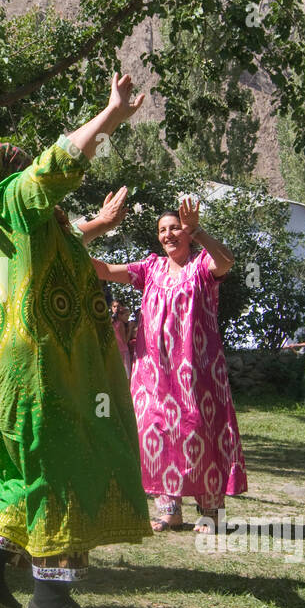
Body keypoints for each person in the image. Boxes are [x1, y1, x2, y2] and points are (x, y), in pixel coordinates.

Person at [0, 73, 149, 608]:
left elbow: (52, 250)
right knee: (62, 467)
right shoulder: (18, 197)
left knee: (24, 475)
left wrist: (95, 226)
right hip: (38, 370)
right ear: (12, 172)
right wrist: (109, 116)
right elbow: (57, 162)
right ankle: (51, 601)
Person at [93, 198, 248, 536]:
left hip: (198, 371)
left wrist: (200, 231)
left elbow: (227, 262)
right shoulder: (150, 268)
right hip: (154, 372)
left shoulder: (202, 266)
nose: (168, 234)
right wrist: (67, 240)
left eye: (175, 227)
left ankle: (211, 512)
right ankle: (169, 510)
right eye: (162, 230)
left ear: (187, 231)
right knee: (157, 432)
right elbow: (103, 270)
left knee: (199, 430)